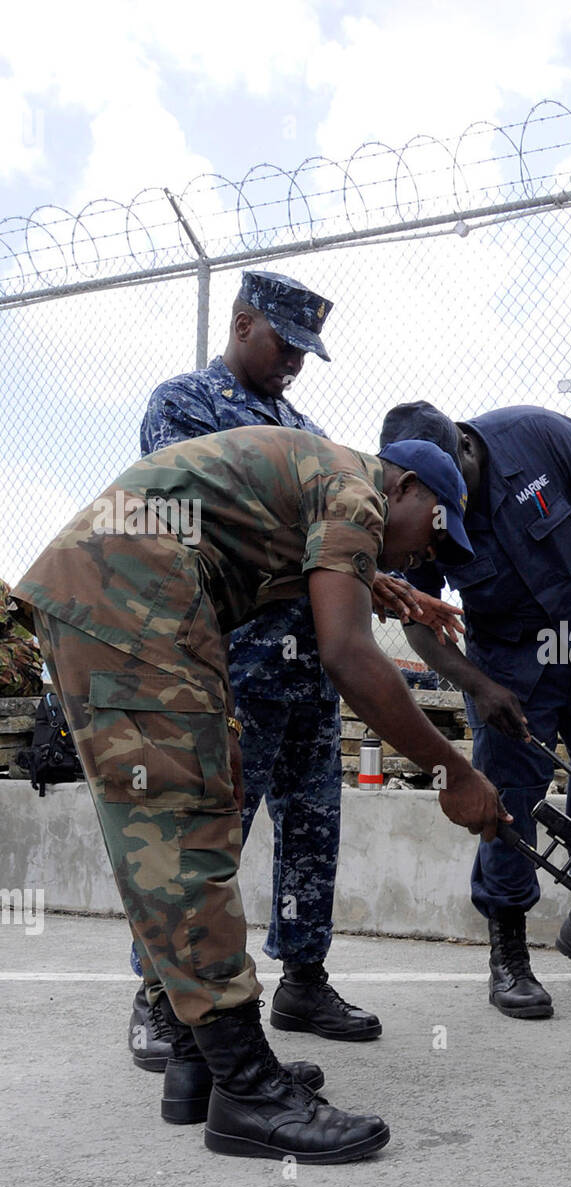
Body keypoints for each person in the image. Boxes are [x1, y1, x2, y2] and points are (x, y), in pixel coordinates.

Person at [11, 425, 505, 1162]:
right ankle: (246, 1091)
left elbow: (297, 551)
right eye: (434, 531)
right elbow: (347, 653)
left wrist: (383, 582)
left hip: (114, 589)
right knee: (181, 826)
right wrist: (455, 772)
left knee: (177, 817)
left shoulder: (332, 485)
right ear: (405, 486)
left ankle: (196, 1063)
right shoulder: (357, 493)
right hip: (132, 596)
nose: (428, 551)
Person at [129, 269, 460, 1072]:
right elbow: (194, 527)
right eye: (286, 345)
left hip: (309, 668)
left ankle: (303, 980)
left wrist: (380, 582)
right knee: (208, 834)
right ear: (242, 324)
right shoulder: (184, 405)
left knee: (313, 833)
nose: (295, 365)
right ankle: (159, 1000)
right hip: (233, 665)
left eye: (307, 353)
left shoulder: (303, 426)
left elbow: (324, 545)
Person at [380, 401, 571, 1020]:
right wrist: (479, 685)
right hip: (508, 671)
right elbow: (419, 625)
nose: (454, 513)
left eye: (460, 493)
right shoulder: (408, 505)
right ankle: (509, 954)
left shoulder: (538, 435)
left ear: (466, 452)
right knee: (506, 804)